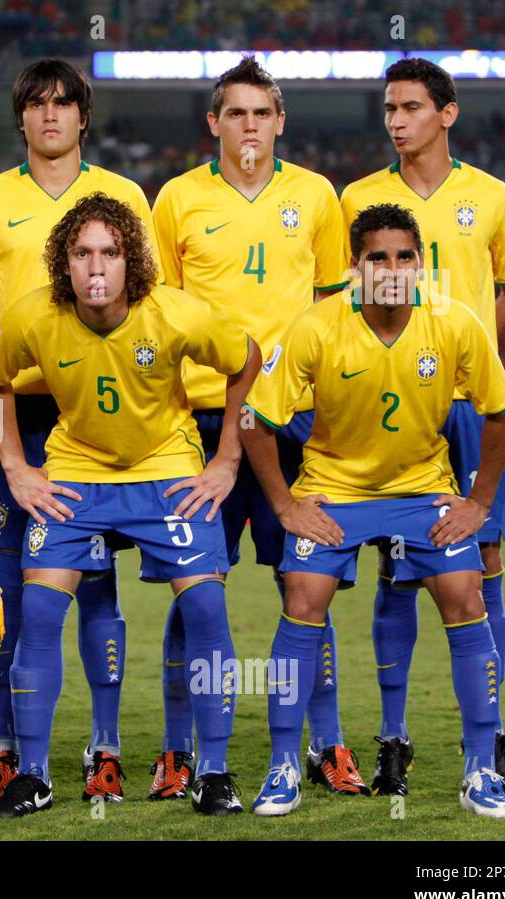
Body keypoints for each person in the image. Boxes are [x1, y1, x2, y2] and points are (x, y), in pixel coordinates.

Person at [0, 193, 260, 818]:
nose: (97, 267)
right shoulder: (35, 318)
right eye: (82, 253)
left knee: (208, 606)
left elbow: (248, 358)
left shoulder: (175, 314)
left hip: (166, 470)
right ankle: (33, 774)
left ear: (131, 260)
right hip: (77, 474)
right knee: (40, 611)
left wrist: (226, 461)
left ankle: (211, 772)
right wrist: (17, 470)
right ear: (64, 264)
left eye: (110, 252)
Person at [243, 203, 505, 818]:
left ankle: (480, 768)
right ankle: (285, 764)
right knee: (303, 597)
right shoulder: (315, 327)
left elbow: (501, 411)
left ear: (420, 265)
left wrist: (478, 503)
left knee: (466, 593)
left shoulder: (456, 322)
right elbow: (256, 421)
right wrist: (286, 506)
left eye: (403, 257)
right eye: (377, 258)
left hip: (422, 490)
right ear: (354, 268)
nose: (391, 269)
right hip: (335, 491)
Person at [151, 56, 363, 800]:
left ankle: (327, 745)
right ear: (214, 123)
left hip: (290, 421)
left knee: (307, 583)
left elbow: (336, 311)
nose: (248, 125)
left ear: (279, 122)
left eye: (260, 113)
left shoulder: (316, 196)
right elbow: (161, 319)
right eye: (233, 113)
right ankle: (178, 753)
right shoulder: (176, 199)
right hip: (202, 422)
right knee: (193, 588)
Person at [0, 58, 162, 803]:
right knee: (13, 587)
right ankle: (8, 746)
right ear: (22, 119)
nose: (50, 116)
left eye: (64, 104)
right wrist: (14, 352)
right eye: (37, 105)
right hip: (17, 409)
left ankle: (103, 747)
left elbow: (146, 301)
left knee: (97, 585)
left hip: (95, 408)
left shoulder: (124, 198)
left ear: (83, 117)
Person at [341, 58, 505, 795]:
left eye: (412, 107)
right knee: (400, 567)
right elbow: (344, 298)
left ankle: (488, 735)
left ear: (447, 114)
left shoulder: (492, 197)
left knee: (484, 570)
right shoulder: (360, 197)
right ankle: (394, 738)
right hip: (395, 405)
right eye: (389, 108)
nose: (396, 120)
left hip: (469, 405)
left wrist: (473, 341)